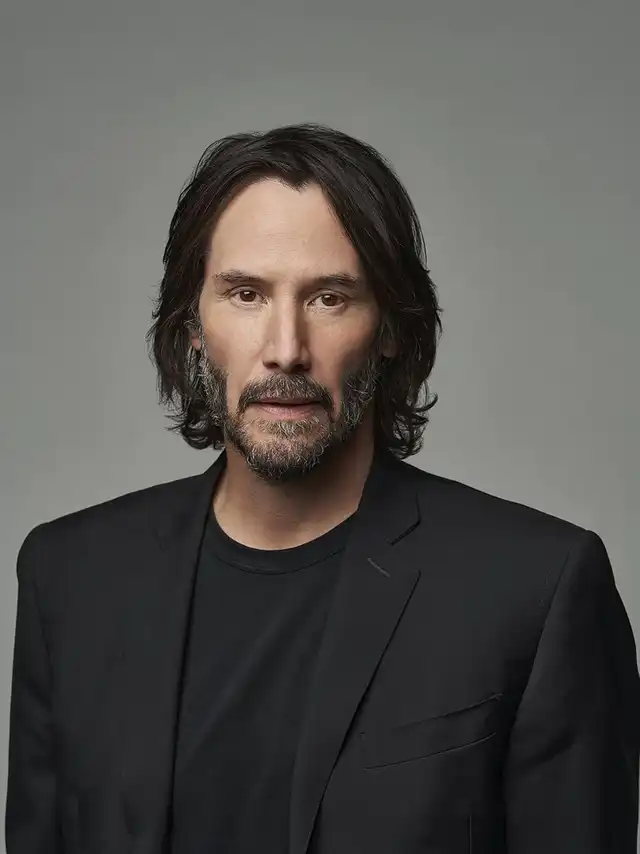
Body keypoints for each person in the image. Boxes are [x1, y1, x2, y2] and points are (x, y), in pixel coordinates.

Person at [5, 122, 639, 854]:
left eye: (330, 298)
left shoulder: (538, 588)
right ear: (193, 326)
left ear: (390, 328)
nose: (286, 349)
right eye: (246, 294)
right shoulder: (69, 579)